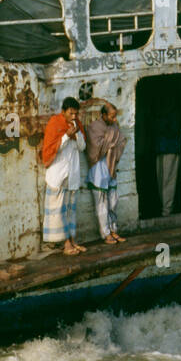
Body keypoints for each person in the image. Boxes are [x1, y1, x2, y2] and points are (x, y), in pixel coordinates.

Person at [40, 97, 87, 255]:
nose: (74, 117)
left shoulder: (77, 125)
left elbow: (82, 147)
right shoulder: (55, 123)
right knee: (59, 212)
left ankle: (73, 241)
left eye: (76, 114)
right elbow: (51, 148)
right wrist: (67, 136)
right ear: (63, 112)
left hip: (72, 175)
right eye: (71, 113)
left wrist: (77, 136)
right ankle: (66, 245)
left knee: (70, 211)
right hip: (58, 176)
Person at [84, 101, 126, 244]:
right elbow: (95, 147)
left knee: (113, 201)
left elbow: (121, 140)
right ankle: (105, 234)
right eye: (112, 117)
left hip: (111, 167)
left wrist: (111, 144)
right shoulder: (94, 127)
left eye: (115, 117)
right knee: (101, 203)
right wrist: (111, 142)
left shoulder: (114, 126)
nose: (115, 120)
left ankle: (114, 230)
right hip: (98, 169)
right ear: (103, 115)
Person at [153, 104, 181, 216]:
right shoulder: (163, 113)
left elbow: (173, 130)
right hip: (162, 148)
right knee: (163, 180)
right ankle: (165, 208)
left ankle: (167, 209)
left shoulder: (172, 114)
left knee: (167, 180)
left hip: (170, 148)